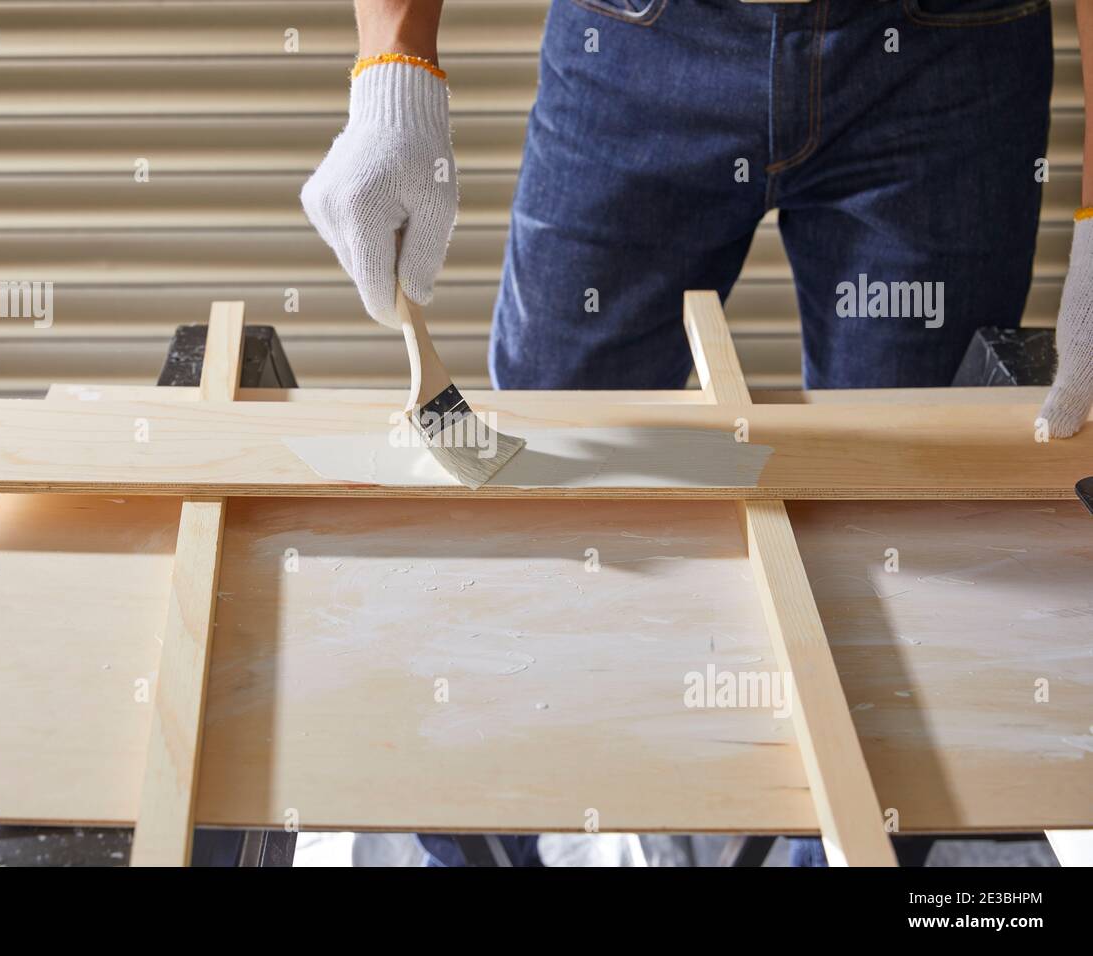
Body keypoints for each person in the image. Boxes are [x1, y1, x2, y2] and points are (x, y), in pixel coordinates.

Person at [300, 0, 1092, 866]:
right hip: (637, 35)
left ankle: (840, 842)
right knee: (533, 497)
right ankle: (508, 820)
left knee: (910, 539)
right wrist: (394, 58)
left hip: (948, 54)